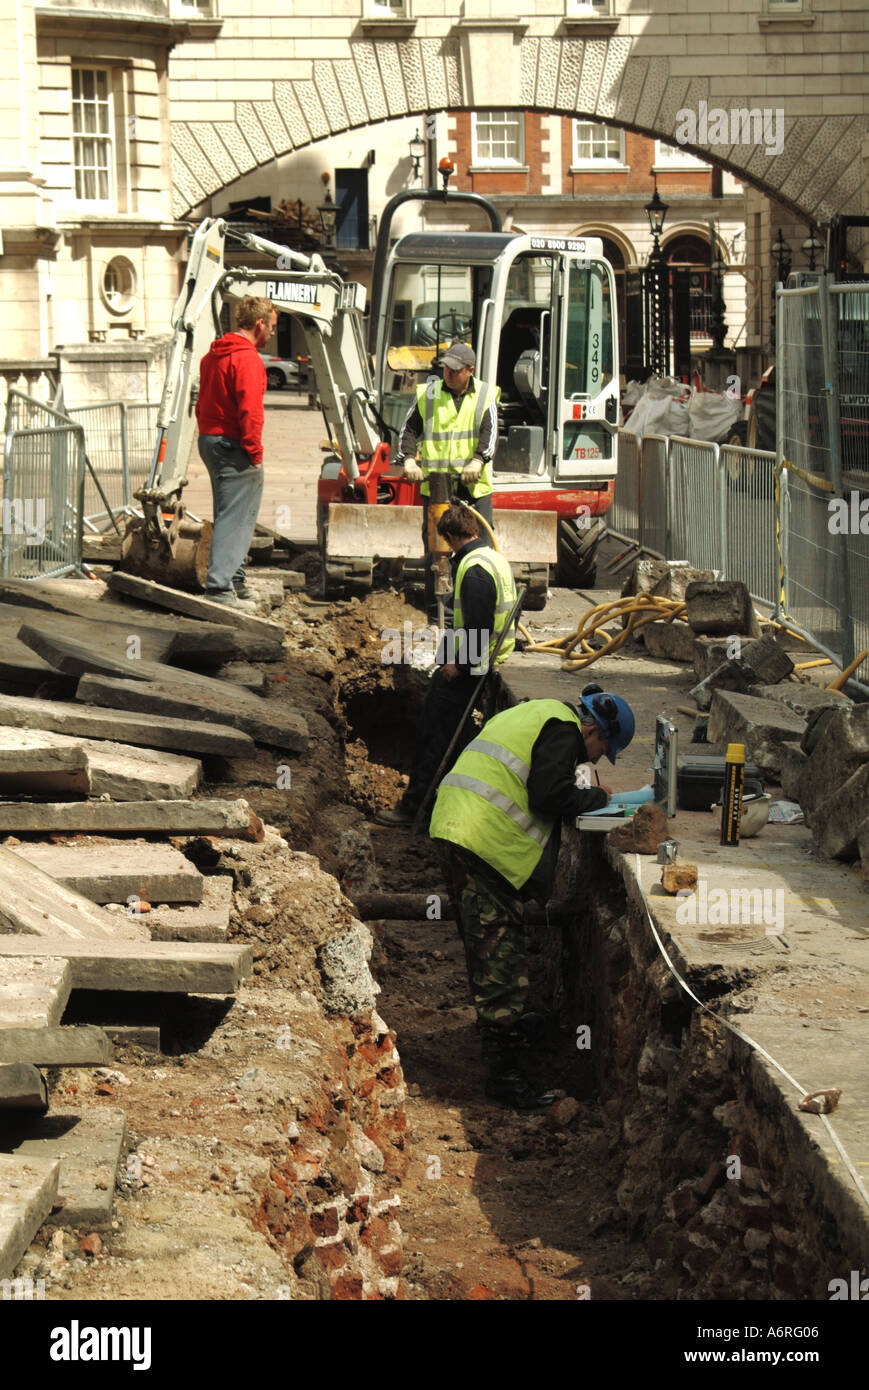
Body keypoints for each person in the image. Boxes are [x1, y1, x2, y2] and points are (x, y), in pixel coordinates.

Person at [429, 688, 636, 1111]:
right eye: (598, 751)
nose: (591, 761)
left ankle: (508, 1033)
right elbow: (550, 794)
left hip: (462, 827)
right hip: (479, 839)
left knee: (494, 951)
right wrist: (599, 798)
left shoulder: (540, 713)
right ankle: (505, 1077)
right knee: (499, 960)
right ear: (593, 729)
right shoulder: (563, 729)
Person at [376, 501, 518, 828]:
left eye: (448, 542)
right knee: (443, 736)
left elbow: (479, 624)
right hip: (481, 661)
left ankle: (414, 810)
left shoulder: (474, 569)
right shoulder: (495, 559)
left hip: (470, 668)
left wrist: (460, 666)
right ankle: (437, 806)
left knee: (434, 737)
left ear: (453, 536)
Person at [395, 341, 498, 620]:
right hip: (437, 489)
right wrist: (407, 459)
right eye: (445, 368)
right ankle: (438, 617)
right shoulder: (428, 393)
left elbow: (490, 435)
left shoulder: (485, 396)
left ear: (470, 371)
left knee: (478, 554)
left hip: (472, 488)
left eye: (455, 370)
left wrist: (478, 460)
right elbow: (409, 430)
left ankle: (477, 614)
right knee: (437, 553)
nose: (448, 374)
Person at [195, 295, 278, 606]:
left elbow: (200, 402)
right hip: (233, 443)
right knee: (236, 516)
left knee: (230, 512)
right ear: (259, 324)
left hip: (210, 439)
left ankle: (237, 580)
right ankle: (219, 589)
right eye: (271, 326)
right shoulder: (248, 359)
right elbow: (250, 412)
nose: (272, 333)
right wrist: (254, 451)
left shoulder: (212, 356)